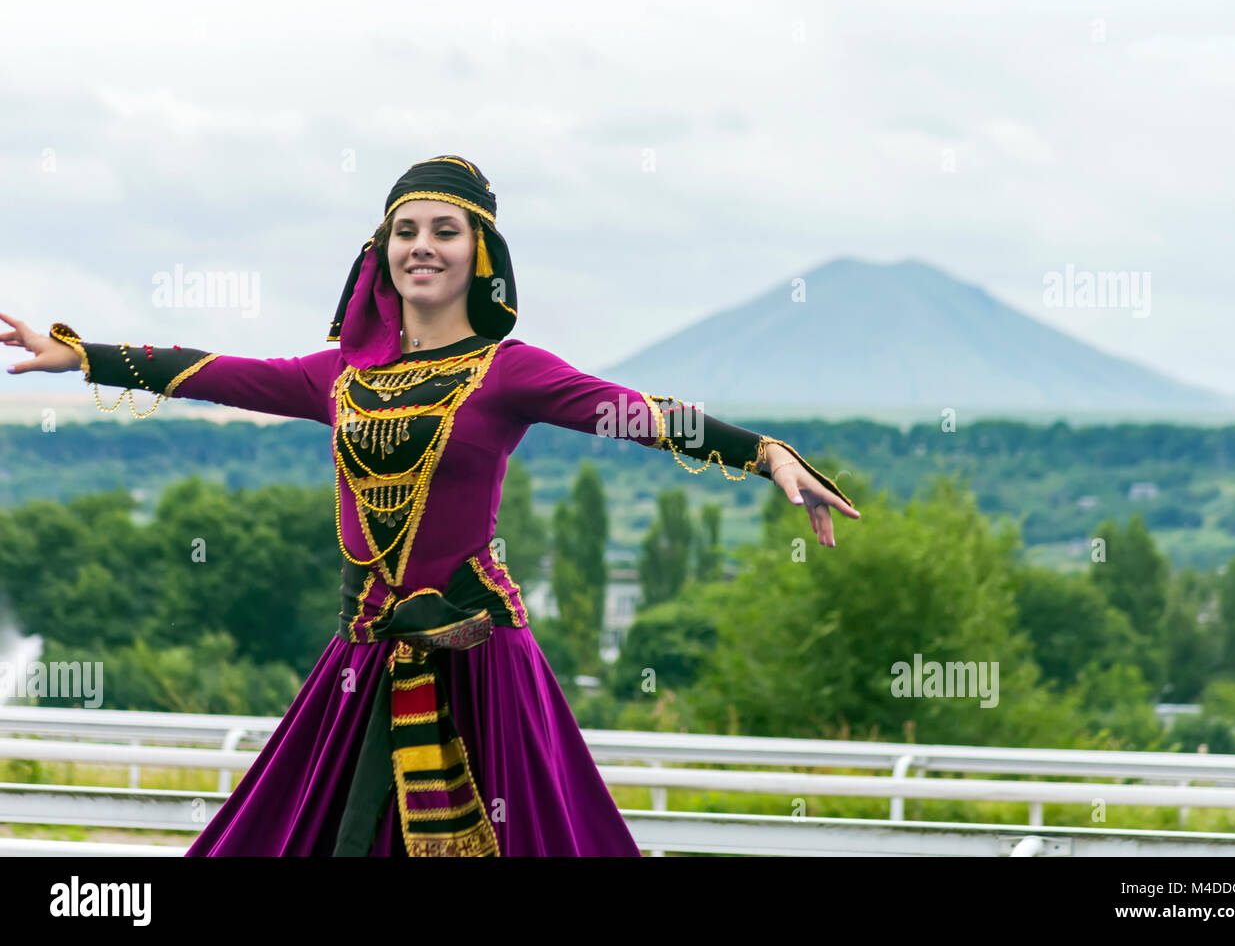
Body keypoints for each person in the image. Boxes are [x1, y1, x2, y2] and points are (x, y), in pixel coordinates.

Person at [1, 154, 860, 856]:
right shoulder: (339, 377)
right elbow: (211, 370)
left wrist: (764, 454)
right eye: (405, 231)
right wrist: (78, 353)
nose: (423, 246)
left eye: (445, 231)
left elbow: (634, 412)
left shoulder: (509, 371)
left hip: (479, 654)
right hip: (364, 656)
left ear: (478, 253)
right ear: (382, 253)